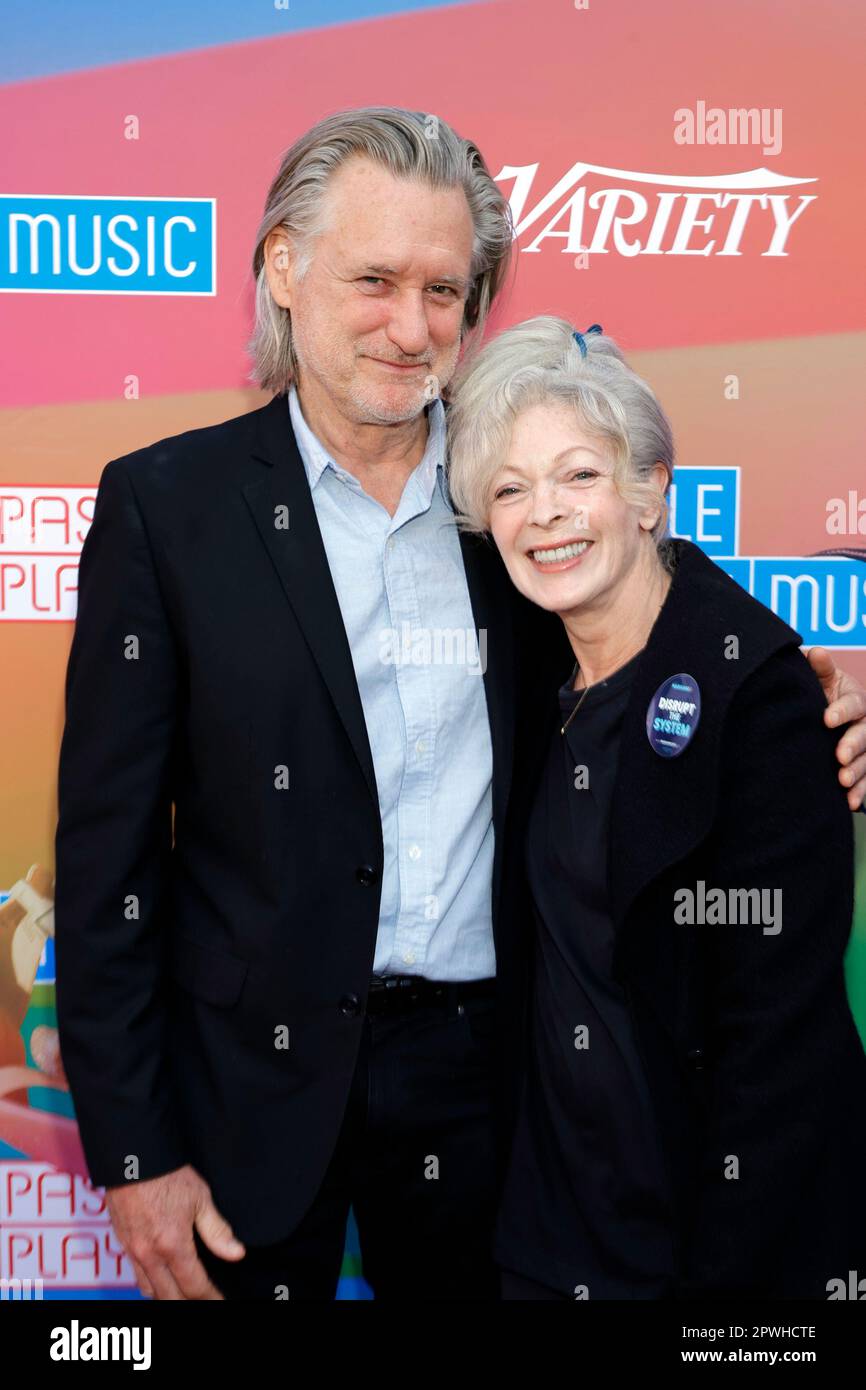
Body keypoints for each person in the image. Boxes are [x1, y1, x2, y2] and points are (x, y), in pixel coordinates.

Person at [53, 108, 866, 1303]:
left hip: (499, 1088)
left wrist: (800, 698)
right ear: (283, 267)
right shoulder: (166, 510)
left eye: (445, 289)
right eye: (373, 279)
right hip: (248, 1087)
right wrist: (134, 1150)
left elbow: (663, 633)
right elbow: (107, 858)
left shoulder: (512, 503)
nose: (411, 325)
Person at [445, 315, 866, 1299]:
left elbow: (778, 1054)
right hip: (542, 1243)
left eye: (578, 475)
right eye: (510, 489)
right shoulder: (529, 666)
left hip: (702, 1249)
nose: (544, 513)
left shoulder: (755, 699)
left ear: (649, 493)